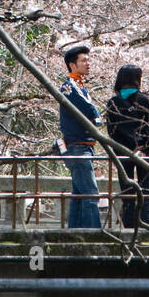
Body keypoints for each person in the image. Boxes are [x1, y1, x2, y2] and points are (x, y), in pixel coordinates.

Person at [106, 64, 149, 228]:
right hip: (145, 153)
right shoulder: (146, 99)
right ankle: (146, 223)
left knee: (127, 191)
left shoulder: (113, 103)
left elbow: (112, 131)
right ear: (136, 79)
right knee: (145, 189)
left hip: (123, 154)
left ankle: (129, 224)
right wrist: (142, 146)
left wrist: (128, 148)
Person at [58, 45, 102, 229]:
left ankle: (74, 232)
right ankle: (93, 234)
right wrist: (97, 117)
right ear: (72, 65)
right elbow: (87, 109)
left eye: (88, 60)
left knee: (79, 194)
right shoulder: (69, 86)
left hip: (83, 145)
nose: (88, 64)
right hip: (78, 146)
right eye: (83, 60)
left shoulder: (80, 86)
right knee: (90, 194)